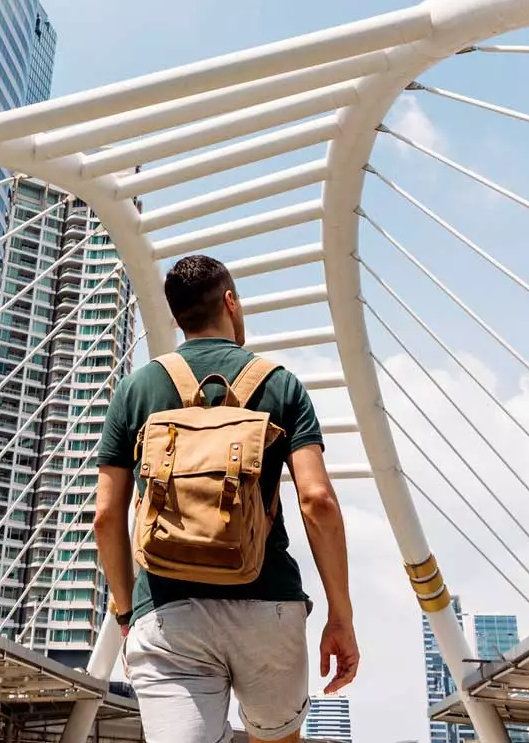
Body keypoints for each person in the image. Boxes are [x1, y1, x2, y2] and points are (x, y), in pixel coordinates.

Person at [94, 254, 359, 743]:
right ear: (231, 302)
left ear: (177, 317)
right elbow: (317, 501)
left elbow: (107, 517)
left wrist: (128, 613)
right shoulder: (281, 384)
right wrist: (340, 616)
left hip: (168, 612)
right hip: (268, 602)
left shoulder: (136, 388)